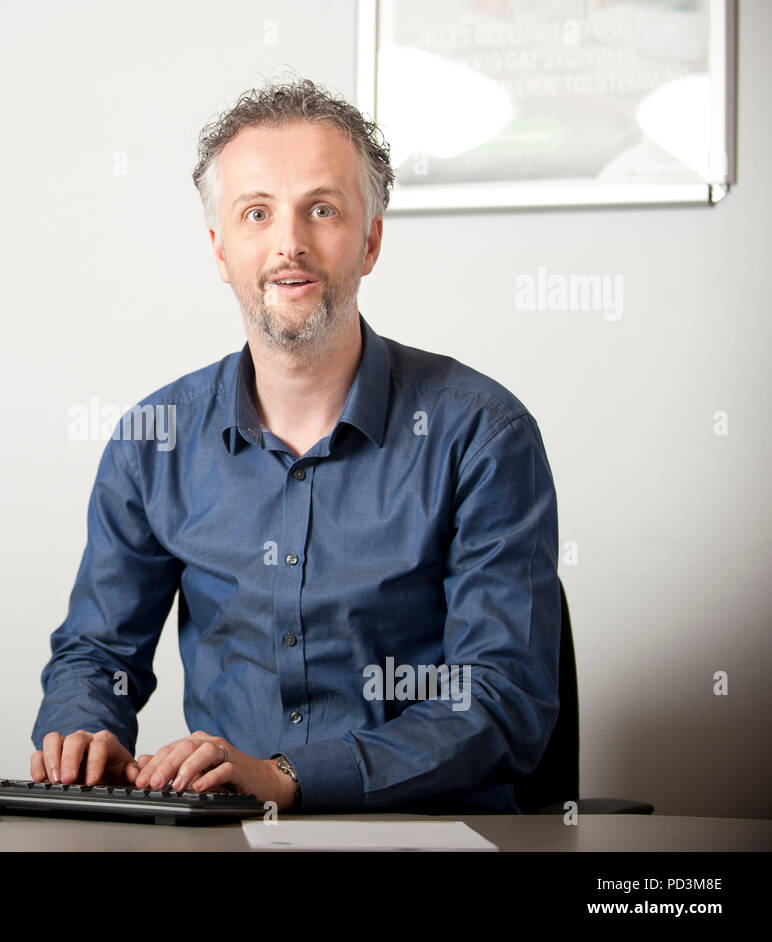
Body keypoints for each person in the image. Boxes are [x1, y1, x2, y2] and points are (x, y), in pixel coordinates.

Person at [29, 77, 560, 813]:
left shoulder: (481, 435)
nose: (290, 244)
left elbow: (503, 705)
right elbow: (98, 653)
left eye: (322, 209)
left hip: (429, 832)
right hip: (226, 832)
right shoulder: (153, 442)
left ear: (369, 240)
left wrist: (288, 775)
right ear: (220, 249)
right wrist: (81, 729)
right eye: (256, 213)